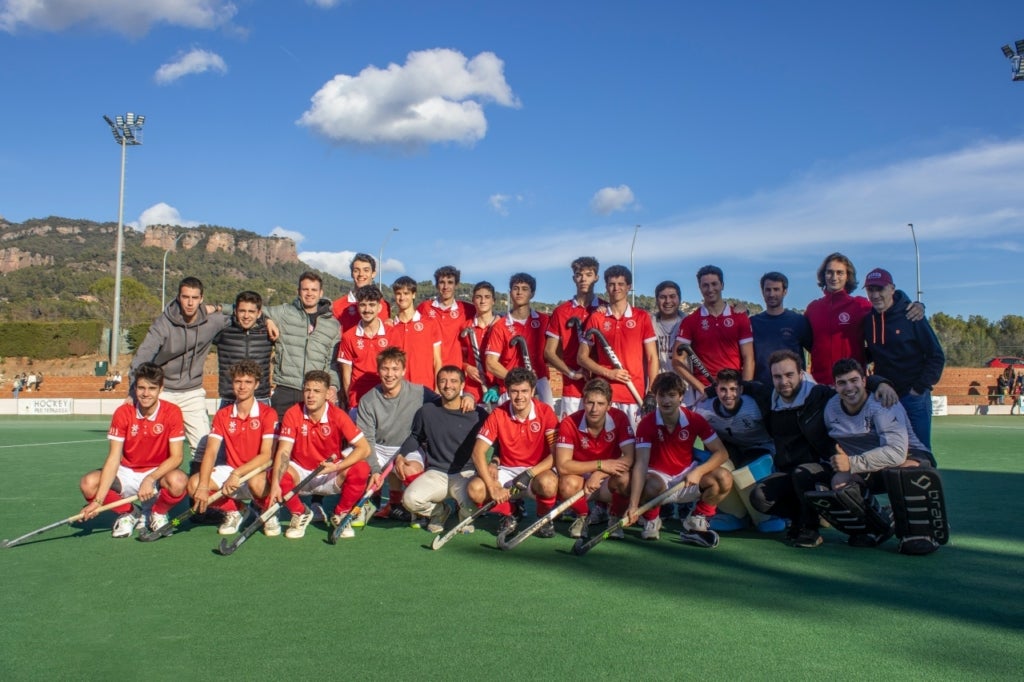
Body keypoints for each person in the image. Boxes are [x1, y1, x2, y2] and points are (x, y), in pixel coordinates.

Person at [791, 358, 945, 553]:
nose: (849, 387)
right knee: (839, 482)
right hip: (867, 464)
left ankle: (920, 532)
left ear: (864, 381)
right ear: (835, 386)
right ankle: (875, 526)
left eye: (854, 380)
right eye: (842, 383)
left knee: (905, 474)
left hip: (907, 456)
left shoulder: (882, 403)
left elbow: (896, 453)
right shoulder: (831, 409)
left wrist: (852, 463)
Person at [748, 349, 898, 547]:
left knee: (802, 474)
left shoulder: (819, 395)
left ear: (801, 374)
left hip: (820, 469)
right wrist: (707, 391)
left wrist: (881, 383)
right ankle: (812, 515)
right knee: (759, 497)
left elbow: (849, 384)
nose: (783, 381)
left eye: (789, 375)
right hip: (788, 471)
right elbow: (742, 386)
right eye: (777, 376)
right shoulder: (769, 398)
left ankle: (810, 529)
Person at [130, 276, 231, 471]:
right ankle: (155, 494)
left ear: (202, 298)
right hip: (164, 392)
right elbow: (142, 356)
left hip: (192, 392)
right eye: (185, 297)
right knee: (155, 447)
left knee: (204, 446)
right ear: (178, 297)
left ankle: (198, 493)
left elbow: (243, 312)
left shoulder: (213, 321)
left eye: (195, 297)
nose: (190, 302)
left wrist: (219, 307)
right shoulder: (163, 324)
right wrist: (132, 389)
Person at [79, 363, 188, 537]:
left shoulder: (172, 412)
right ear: (135, 388)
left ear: (161, 388)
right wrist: (98, 501)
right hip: (126, 472)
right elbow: (114, 457)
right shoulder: (123, 413)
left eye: (152, 388)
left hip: (158, 473)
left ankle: (157, 513)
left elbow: (177, 457)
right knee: (88, 484)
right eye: (141, 388)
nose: (146, 394)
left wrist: (150, 478)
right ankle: (130, 512)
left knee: (179, 482)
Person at [626, 372, 732, 545]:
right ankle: (651, 519)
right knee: (650, 483)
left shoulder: (695, 420)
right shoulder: (646, 423)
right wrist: (633, 504)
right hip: (658, 481)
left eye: (672, 395)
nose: (666, 401)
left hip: (687, 477)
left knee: (724, 477)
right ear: (656, 396)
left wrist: (699, 471)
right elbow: (641, 464)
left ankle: (697, 518)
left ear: (681, 397)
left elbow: (722, 453)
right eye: (662, 395)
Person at [269, 370, 372, 539]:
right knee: (277, 472)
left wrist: (338, 466)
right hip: (301, 471)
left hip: (329, 472)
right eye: (307, 390)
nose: (310, 395)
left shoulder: (338, 415)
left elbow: (364, 448)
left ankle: (341, 514)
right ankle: (300, 513)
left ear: (327, 394)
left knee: (361, 468)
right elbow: (284, 452)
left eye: (317, 391)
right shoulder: (293, 413)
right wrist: (275, 483)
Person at [804, 252, 923, 386]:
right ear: (823, 275)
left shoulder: (860, 305)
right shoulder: (813, 308)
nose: (834, 277)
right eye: (830, 272)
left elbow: (889, 307)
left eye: (840, 273)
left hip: (852, 386)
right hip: (820, 384)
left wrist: (915, 305)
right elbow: (810, 343)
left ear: (848, 276)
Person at [187, 360, 276, 536]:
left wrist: (237, 474)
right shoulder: (223, 415)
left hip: (256, 471)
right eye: (238, 382)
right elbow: (211, 452)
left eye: (248, 382)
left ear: (257, 385)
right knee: (194, 485)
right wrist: (204, 486)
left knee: (256, 482)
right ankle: (237, 510)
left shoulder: (267, 413)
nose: (242, 387)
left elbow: (266, 455)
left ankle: (268, 511)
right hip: (231, 469)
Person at [468, 368, 558, 536]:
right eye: (514, 391)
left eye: (524, 391)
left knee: (549, 484)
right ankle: (511, 512)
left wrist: (530, 473)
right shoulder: (498, 414)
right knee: (475, 489)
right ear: (508, 392)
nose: (519, 397)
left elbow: (556, 455)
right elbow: (477, 452)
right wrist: (492, 486)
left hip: (537, 471)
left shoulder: (546, 412)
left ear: (532, 391)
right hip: (507, 470)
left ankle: (544, 517)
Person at [399, 365, 490, 533]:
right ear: (437, 384)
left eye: (454, 381)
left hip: (466, 474)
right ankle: (440, 513)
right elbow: (416, 437)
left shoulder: (477, 414)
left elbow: (495, 441)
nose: (448, 385)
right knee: (409, 500)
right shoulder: (426, 411)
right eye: (443, 381)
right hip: (436, 473)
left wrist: (495, 462)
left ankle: (465, 515)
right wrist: (401, 455)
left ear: (462, 385)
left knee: (476, 495)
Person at [692, 368, 784, 533]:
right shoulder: (704, 409)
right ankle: (732, 513)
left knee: (747, 472)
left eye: (733, 389)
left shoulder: (756, 404)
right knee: (716, 467)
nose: (728, 395)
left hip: (760, 447)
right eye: (723, 389)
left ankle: (766, 515)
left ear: (741, 389)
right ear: (716, 389)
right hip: (730, 448)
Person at [862, 268, 945, 449]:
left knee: (920, 452)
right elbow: (871, 353)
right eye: (870, 290)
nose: (875, 294)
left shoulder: (911, 315)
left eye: (880, 289)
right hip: (885, 398)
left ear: (892, 289)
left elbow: (936, 356)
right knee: (887, 450)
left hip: (913, 398)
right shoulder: (868, 321)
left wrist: (918, 389)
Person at [355, 348, 436, 523]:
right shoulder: (368, 400)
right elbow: (366, 440)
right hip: (378, 446)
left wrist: (466, 396)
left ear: (403, 371)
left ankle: (421, 507)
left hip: (409, 446)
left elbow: (445, 403)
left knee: (410, 470)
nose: (390, 374)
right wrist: (375, 470)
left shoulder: (420, 393)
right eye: (385, 369)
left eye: (395, 369)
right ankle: (377, 504)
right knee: (356, 468)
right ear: (378, 371)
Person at [554, 378, 635, 539]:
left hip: (606, 479)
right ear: (583, 402)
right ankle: (583, 516)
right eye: (590, 403)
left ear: (609, 405)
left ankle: (615, 517)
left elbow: (629, 457)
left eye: (600, 403)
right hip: (580, 479)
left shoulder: (620, 418)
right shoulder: (569, 422)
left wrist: (599, 472)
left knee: (626, 479)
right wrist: (599, 465)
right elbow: (563, 466)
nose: (594, 409)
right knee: (566, 484)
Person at [577, 265, 658, 424]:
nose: (616, 288)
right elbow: (581, 358)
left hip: (634, 394)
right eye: (612, 284)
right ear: (606, 286)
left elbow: (652, 358)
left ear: (629, 287)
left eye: (621, 284)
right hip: (604, 397)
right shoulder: (597, 318)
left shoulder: (642, 317)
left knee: (636, 447)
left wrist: (651, 393)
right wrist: (609, 373)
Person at [263, 271, 342, 420]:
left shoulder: (333, 325)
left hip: (316, 392)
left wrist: (333, 386)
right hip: (286, 390)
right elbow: (251, 310)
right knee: (280, 441)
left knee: (312, 441)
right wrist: (267, 320)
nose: (309, 293)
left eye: (314, 290)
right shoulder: (284, 313)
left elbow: (332, 363)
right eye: (305, 289)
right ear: (298, 291)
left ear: (321, 293)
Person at [673, 265, 754, 390]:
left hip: (734, 390)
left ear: (722, 285)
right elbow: (677, 361)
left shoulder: (740, 317)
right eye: (705, 285)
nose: (710, 289)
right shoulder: (690, 321)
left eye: (714, 284)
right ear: (699, 287)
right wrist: (701, 388)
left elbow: (749, 358)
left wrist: (746, 389)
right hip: (707, 391)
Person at [544, 256, 603, 417]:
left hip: (601, 385)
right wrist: (570, 372)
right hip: (573, 388)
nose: (583, 279)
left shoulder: (606, 309)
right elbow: (549, 352)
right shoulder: (561, 311)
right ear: (573, 278)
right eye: (579, 274)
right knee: (572, 436)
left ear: (596, 277)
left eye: (589, 274)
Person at [485, 273, 553, 406]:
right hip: (511, 386)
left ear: (532, 293)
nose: (519, 292)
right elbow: (490, 363)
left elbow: (554, 353)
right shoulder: (500, 326)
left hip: (540, 383)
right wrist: (516, 379)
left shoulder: (544, 320)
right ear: (510, 293)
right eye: (516, 288)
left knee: (547, 424)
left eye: (524, 288)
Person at [212, 291, 273, 410]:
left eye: (251, 311)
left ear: (259, 313)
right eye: (242, 311)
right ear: (235, 311)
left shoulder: (268, 332)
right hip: (230, 398)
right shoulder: (223, 330)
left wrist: (269, 321)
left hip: (260, 398)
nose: (246, 316)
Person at [749, 272, 812, 387]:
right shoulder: (753, 322)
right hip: (761, 389)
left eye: (776, 289)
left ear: (785, 292)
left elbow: (816, 351)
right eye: (768, 290)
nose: (772, 294)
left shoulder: (798, 321)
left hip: (792, 389)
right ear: (762, 292)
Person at [338, 284, 392, 415]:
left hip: (386, 402)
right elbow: (346, 376)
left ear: (379, 307)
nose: (367, 309)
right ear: (357, 307)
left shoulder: (392, 333)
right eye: (363, 305)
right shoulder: (348, 337)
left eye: (372, 305)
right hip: (358, 404)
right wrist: (351, 402)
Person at [388, 276, 442, 390]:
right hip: (399, 391)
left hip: (425, 390)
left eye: (406, 293)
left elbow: (437, 360)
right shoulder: (389, 328)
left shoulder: (430, 324)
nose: (402, 297)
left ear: (414, 295)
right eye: (398, 293)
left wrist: (438, 388)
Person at [418, 265, 476, 371]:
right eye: (441, 282)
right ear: (436, 285)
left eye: (450, 282)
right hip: (430, 369)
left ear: (456, 285)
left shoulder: (467, 309)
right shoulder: (424, 307)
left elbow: (486, 317)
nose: (445, 287)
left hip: (456, 370)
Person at [460, 281, 499, 404]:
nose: (483, 301)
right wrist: (467, 367)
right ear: (473, 300)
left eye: (487, 297)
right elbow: (460, 356)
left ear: (493, 301)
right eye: (478, 297)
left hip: (499, 387)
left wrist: (499, 387)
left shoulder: (503, 326)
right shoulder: (465, 327)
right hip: (472, 387)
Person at [333, 253, 391, 331]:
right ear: (351, 274)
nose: (361, 274)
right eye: (356, 270)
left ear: (373, 274)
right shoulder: (337, 306)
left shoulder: (384, 305)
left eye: (366, 270)